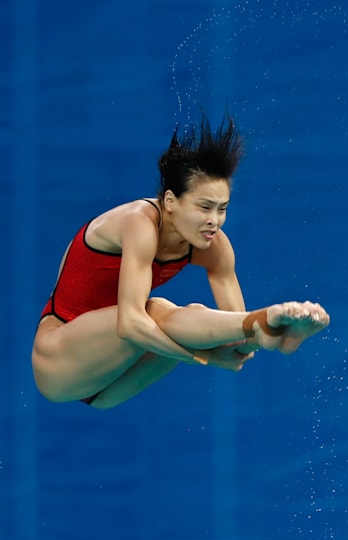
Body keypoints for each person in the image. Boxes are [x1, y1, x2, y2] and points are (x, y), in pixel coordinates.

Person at [32, 112, 330, 409]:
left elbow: (236, 335)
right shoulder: (140, 223)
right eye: (204, 207)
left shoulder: (215, 248)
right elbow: (130, 324)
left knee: (211, 324)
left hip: (111, 387)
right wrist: (201, 356)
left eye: (222, 209)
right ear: (171, 201)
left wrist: (260, 335)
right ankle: (267, 321)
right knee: (158, 311)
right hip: (58, 361)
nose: (214, 221)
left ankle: (278, 333)